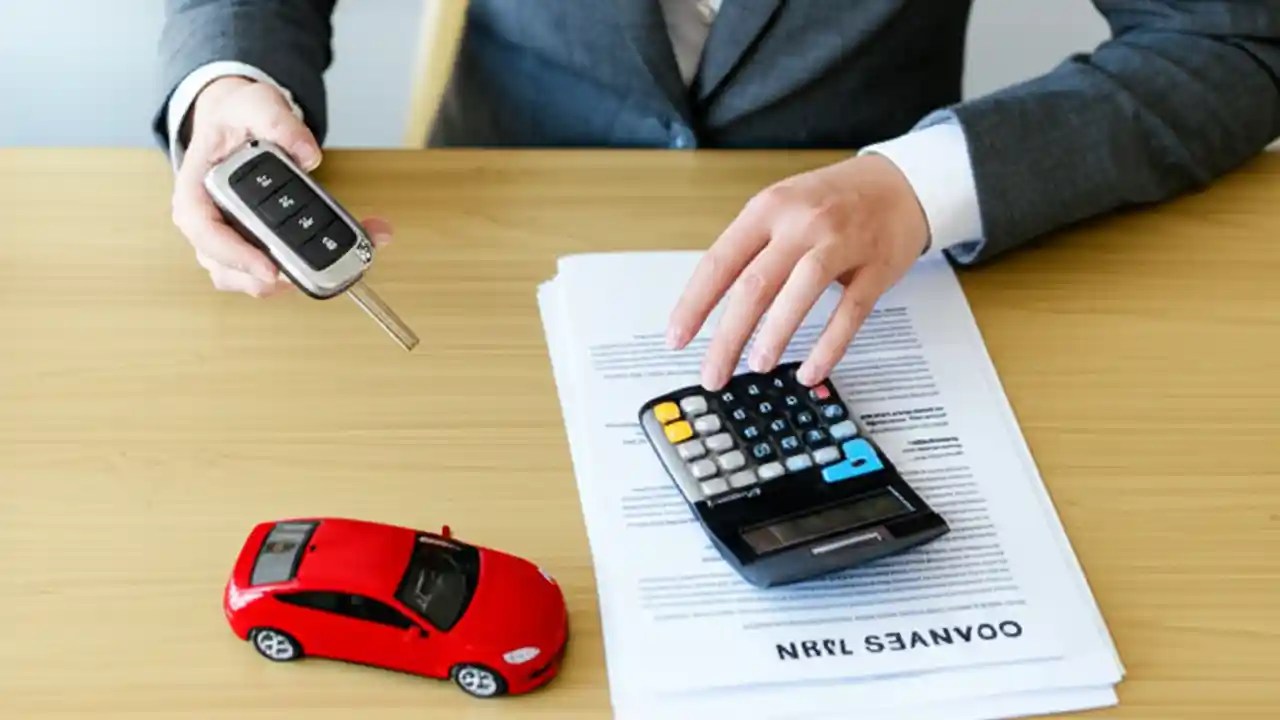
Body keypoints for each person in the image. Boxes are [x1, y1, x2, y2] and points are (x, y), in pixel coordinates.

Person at [154, 1, 1280, 390]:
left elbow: (1230, 37)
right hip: (489, 253)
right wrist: (227, 79)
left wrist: (921, 183)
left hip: (873, 282)